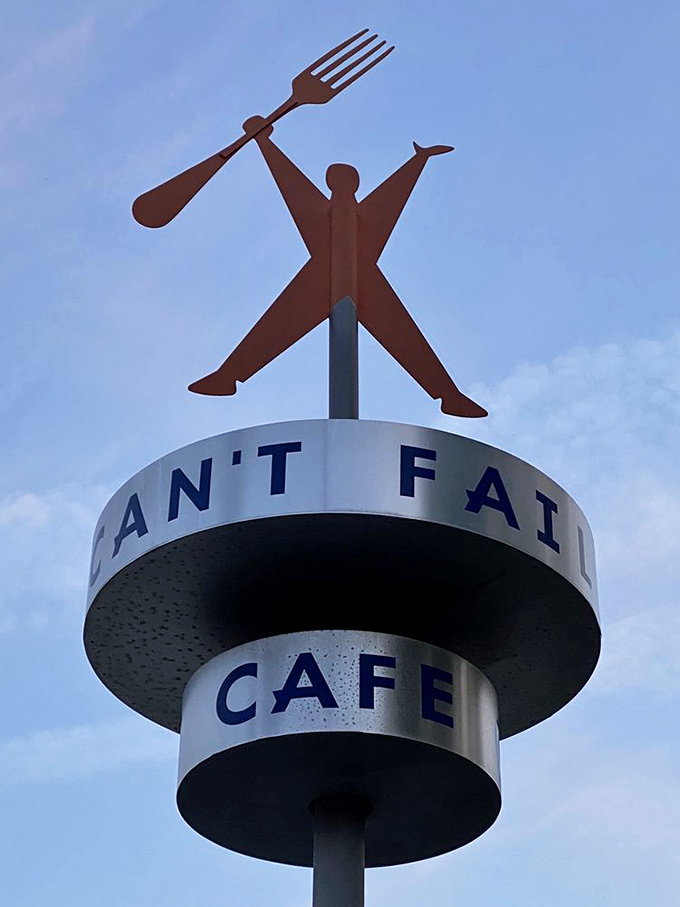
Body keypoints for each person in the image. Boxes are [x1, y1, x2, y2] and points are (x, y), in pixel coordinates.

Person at [189, 117, 487, 418]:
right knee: (270, 331)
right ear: (331, 183)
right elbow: (289, 179)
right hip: (320, 279)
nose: (344, 183)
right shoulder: (323, 209)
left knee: (407, 339)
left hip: (364, 281)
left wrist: (419, 159)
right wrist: (265, 143)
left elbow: (395, 191)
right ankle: (227, 377)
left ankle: (449, 396)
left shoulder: (364, 213)